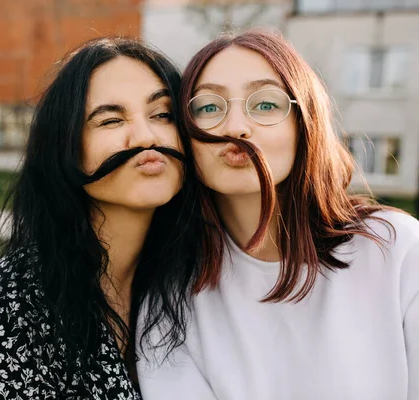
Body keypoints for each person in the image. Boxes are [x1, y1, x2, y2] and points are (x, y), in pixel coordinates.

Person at [137, 29, 419, 400]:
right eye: (208, 107)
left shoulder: (397, 250)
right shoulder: (168, 299)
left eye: (266, 104)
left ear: (305, 124)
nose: (236, 127)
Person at [0, 37, 201, 399]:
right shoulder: (18, 303)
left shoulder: (197, 278)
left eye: (162, 115)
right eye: (110, 120)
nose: (146, 136)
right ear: (66, 150)